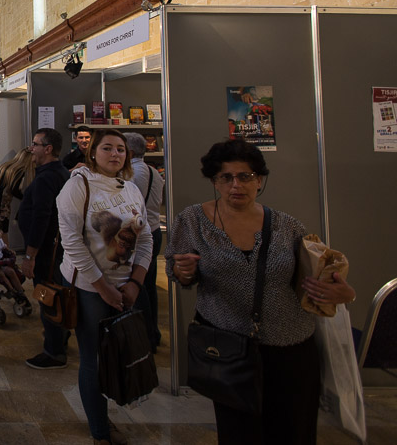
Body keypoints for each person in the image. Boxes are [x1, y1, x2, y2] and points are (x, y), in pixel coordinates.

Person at [165, 139, 356, 444]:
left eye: (245, 176)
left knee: (293, 431)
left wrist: (341, 293)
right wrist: (182, 271)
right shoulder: (192, 221)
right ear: (215, 181)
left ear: (260, 180)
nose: (235, 185)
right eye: (225, 177)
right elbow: (177, 273)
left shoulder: (286, 226)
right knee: (239, 433)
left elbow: (318, 274)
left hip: (290, 347)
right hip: (230, 348)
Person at [58, 129, 152, 445]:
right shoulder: (79, 185)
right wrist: (102, 287)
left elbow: (146, 237)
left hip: (126, 284)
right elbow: (71, 240)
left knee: (122, 350)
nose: (115, 154)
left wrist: (136, 282)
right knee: (93, 358)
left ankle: (112, 411)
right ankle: (100, 429)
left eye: (121, 149)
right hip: (89, 287)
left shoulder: (131, 189)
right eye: (107, 148)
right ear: (93, 152)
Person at [18, 127, 72, 370]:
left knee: (47, 294)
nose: (32, 149)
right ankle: (59, 337)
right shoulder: (59, 173)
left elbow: (41, 217)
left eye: (36, 144)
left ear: (48, 149)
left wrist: (30, 254)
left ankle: (54, 351)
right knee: (56, 292)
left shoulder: (47, 177)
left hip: (46, 250)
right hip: (54, 247)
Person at [124, 132, 165, 351]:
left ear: (128, 151)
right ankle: (152, 333)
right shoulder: (153, 172)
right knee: (148, 286)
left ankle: (145, 337)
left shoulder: (133, 175)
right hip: (154, 231)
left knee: (137, 288)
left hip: (140, 235)